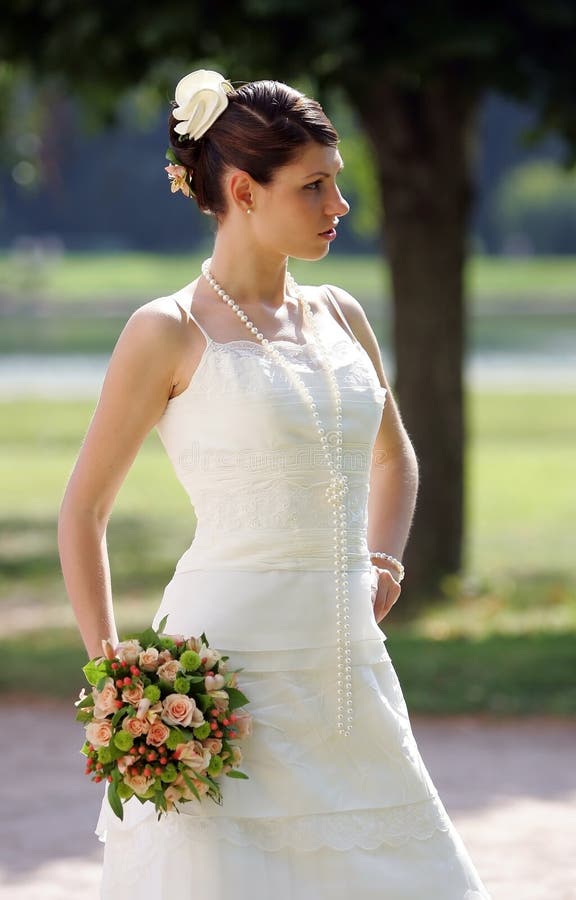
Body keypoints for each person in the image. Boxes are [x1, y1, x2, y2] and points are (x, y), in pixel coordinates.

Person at [58, 69, 492, 899]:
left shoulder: (341, 314)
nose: (340, 205)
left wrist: (386, 567)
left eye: (337, 181)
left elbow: (394, 457)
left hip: (346, 670)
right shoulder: (167, 330)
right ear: (243, 191)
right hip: (222, 678)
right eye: (316, 186)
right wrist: (115, 682)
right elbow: (83, 511)